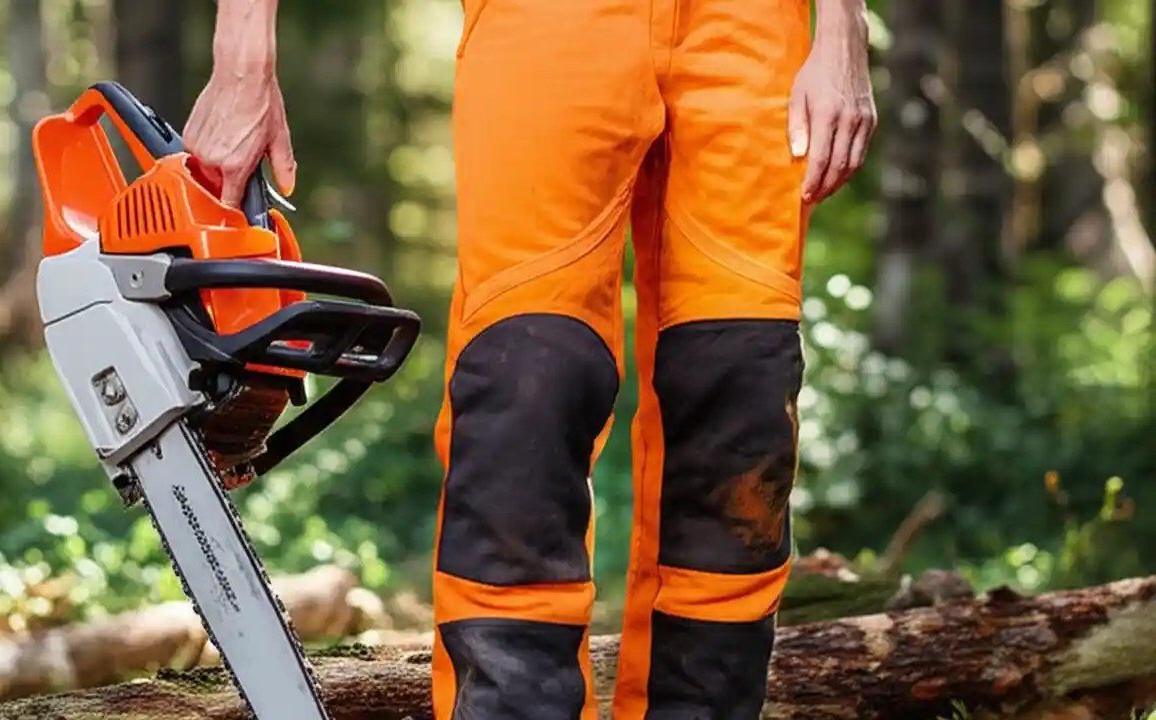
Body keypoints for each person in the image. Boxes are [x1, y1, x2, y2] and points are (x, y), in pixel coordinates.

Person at [186, 0, 876, 717]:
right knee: (527, 383)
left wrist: (844, 24)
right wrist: (244, 59)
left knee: (742, 396)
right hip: (549, 22)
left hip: (754, 26)